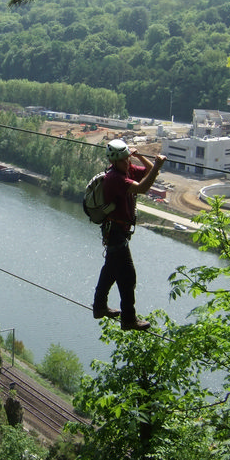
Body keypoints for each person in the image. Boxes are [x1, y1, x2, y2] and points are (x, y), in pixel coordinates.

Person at [92, 138, 166, 331]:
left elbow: (149, 171)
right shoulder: (114, 178)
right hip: (116, 233)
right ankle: (129, 319)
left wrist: (140, 155)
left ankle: (99, 307)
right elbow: (142, 188)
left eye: (128, 159)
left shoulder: (127, 169)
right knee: (128, 277)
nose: (128, 163)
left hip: (118, 232)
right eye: (124, 160)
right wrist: (158, 164)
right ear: (114, 162)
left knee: (110, 270)